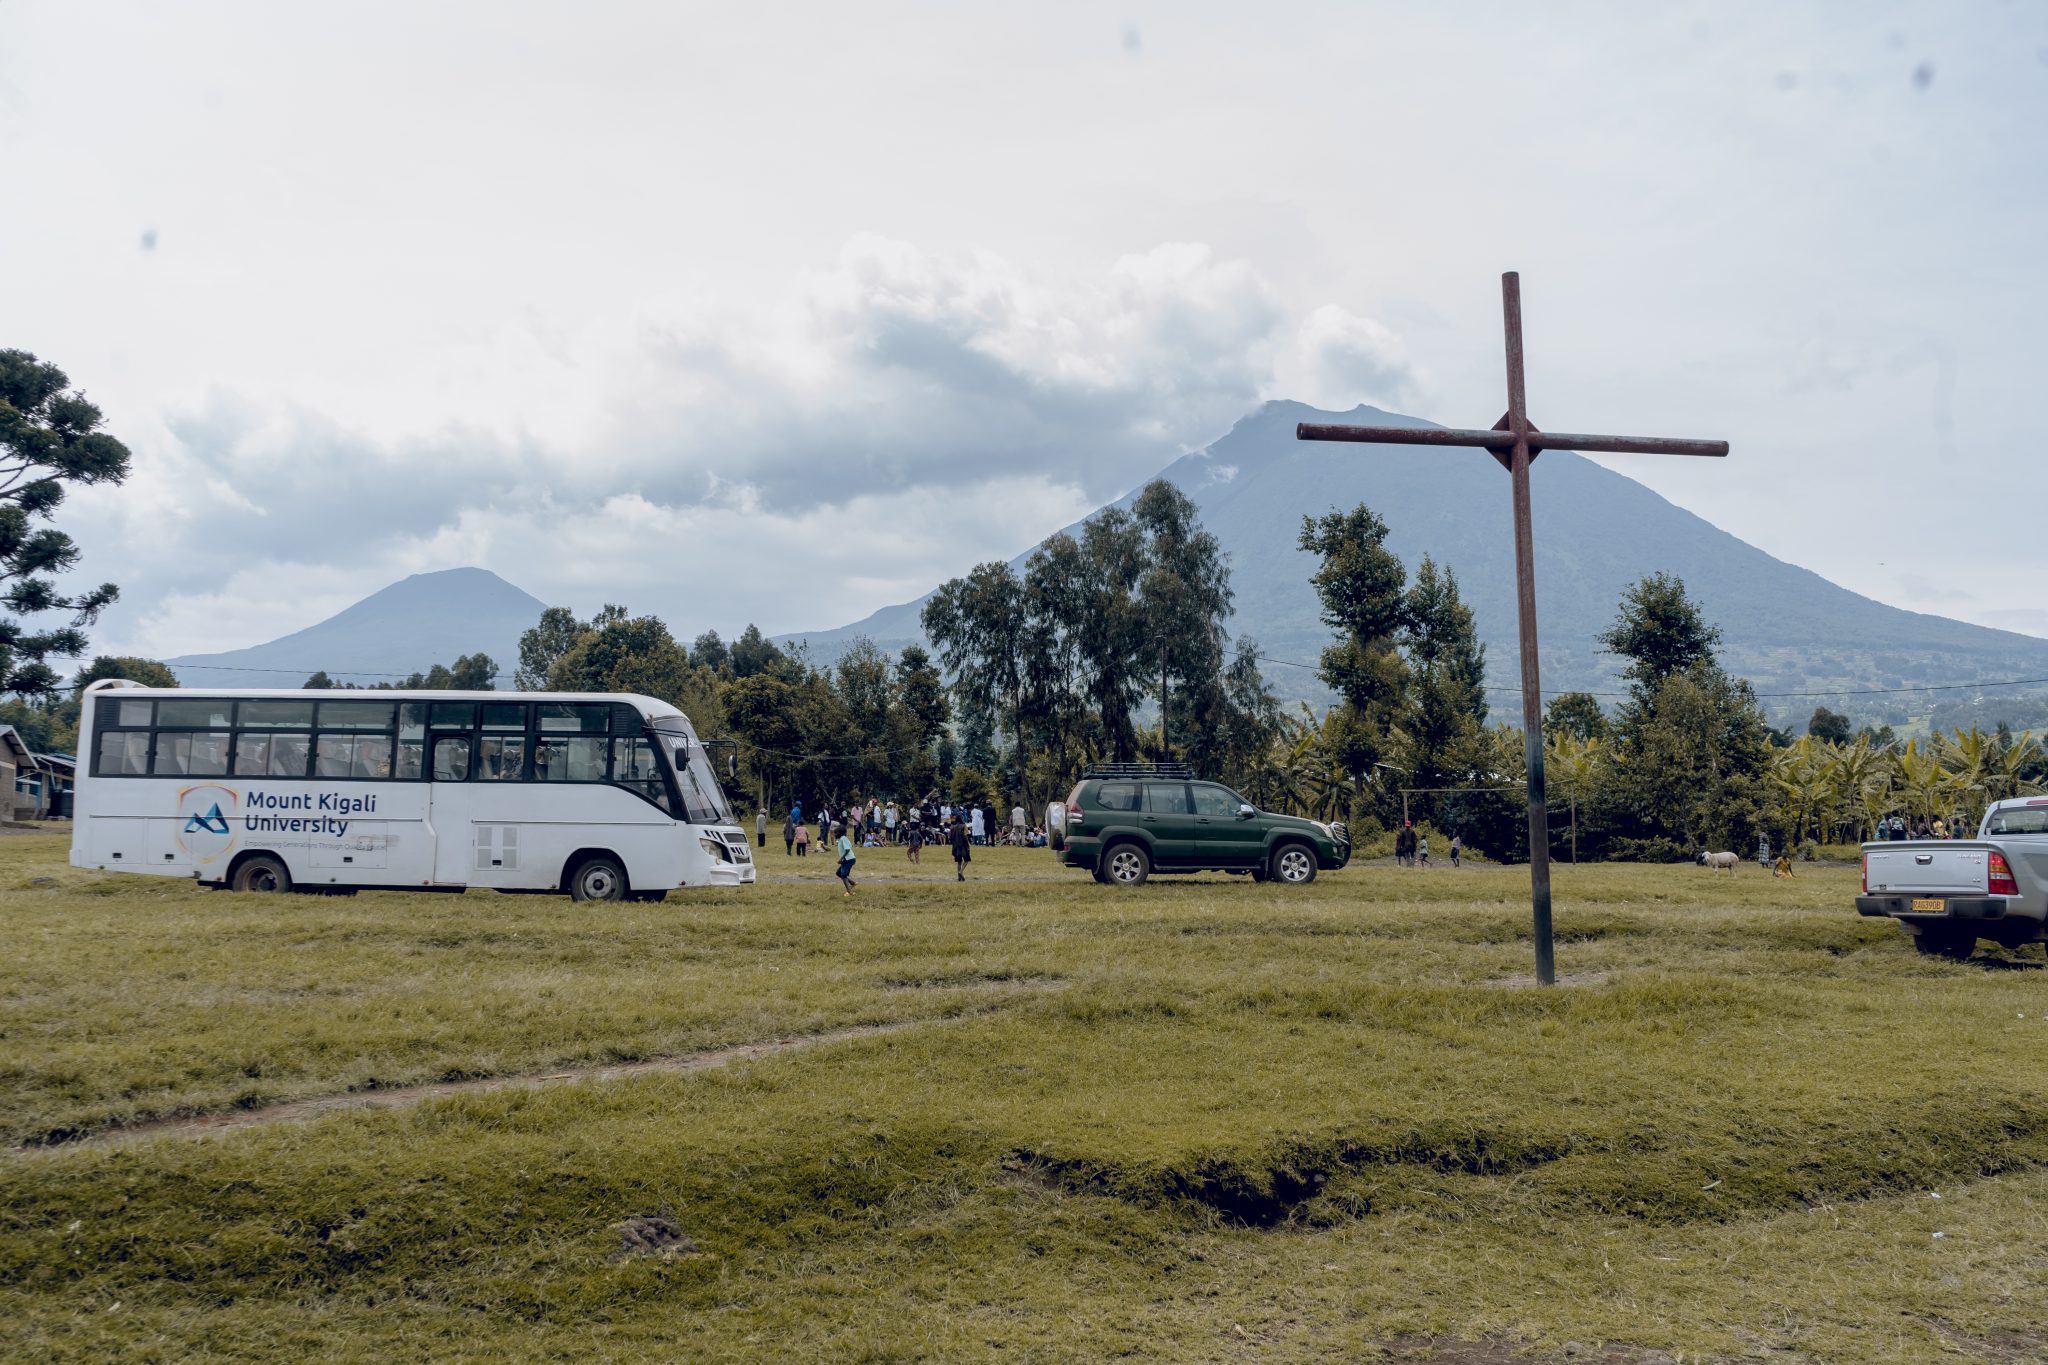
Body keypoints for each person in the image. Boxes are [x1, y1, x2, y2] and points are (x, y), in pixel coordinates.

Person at [833, 823, 858, 897]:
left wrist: (841, 858)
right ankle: (852, 883)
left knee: (843, 875)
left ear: (840, 833)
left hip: (848, 859)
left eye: (836, 833)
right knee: (838, 873)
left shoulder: (843, 838)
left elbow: (847, 850)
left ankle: (850, 892)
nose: (835, 834)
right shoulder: (842, 839)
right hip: (847, 859)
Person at [950, 814, 971, 881]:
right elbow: (966, 836)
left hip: (955, 846)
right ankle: (961, 871)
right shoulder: (964, 826)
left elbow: (950, 837)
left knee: (959, 861)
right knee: (966, 860)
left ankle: (959, 877)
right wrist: (968, 844)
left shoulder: (952, 827)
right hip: (963, 845)